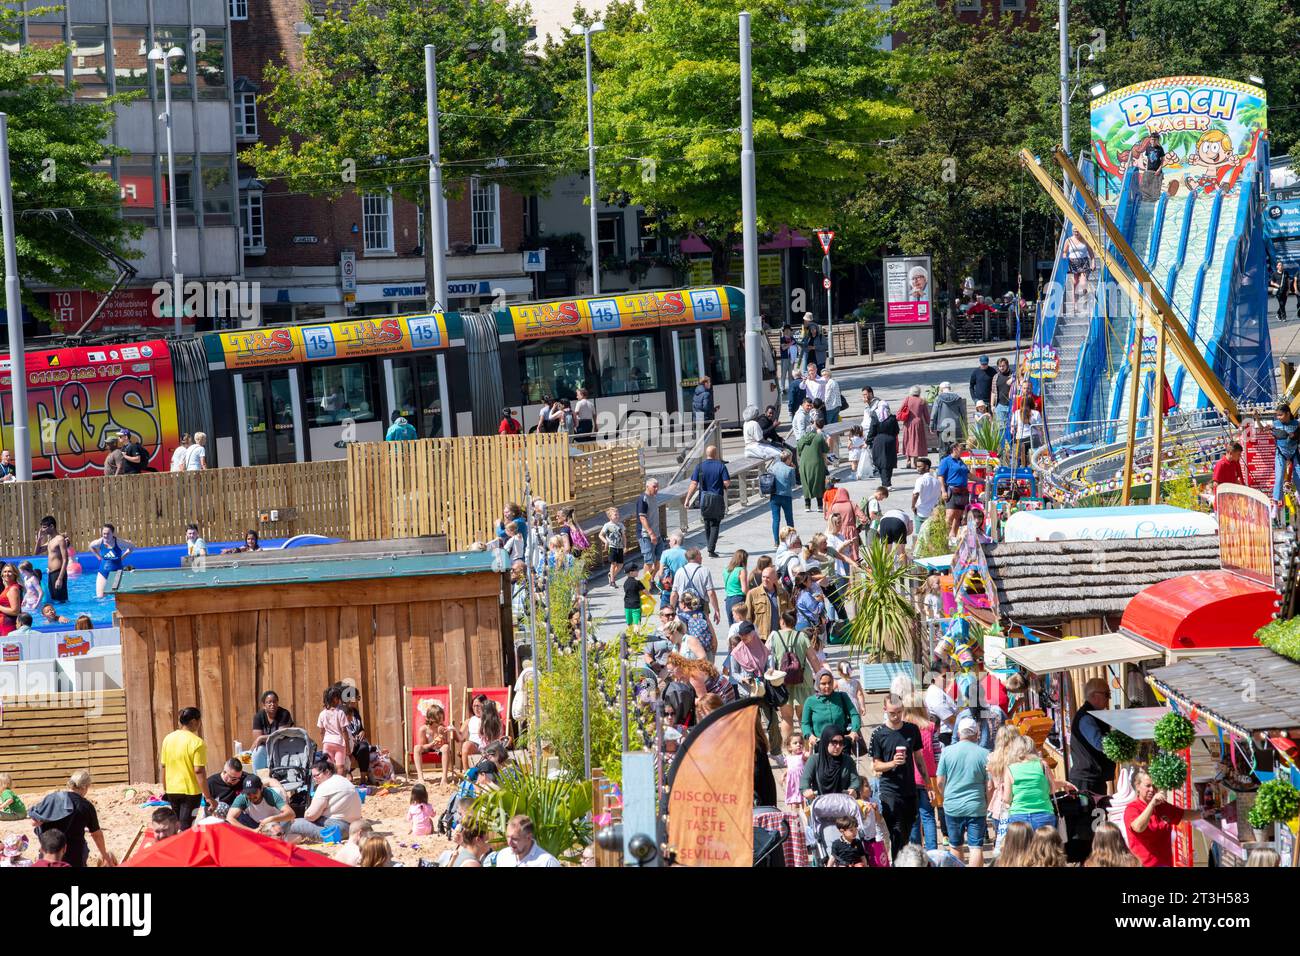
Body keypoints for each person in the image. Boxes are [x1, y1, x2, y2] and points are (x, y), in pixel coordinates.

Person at [868, 693, 925, 861]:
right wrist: (893, 763)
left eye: (899, 712)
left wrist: (928, 784)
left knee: (907, 832)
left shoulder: (912, 729)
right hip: (889, 792)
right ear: (885, 710)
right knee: (897, 833)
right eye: (892, 713)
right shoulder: (878, 734)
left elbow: (919, 759)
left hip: (910, 790)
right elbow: (876, 765)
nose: (896, 716)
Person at [28, 770, 116, 868]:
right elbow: (96, 835)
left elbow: (34, 822)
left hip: (49, 852)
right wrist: (105, 856)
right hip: (74, 856)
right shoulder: (86, 806)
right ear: (85, 787)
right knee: (84, 848)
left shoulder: (52, 798)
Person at [936, 716, 989, 867]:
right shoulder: (985, 754)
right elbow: (989, 785)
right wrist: (987, 802)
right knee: (976, 847)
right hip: (976, 805)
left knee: (955, 846)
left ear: (958, 733)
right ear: (976, 734)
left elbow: (940, 781)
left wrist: (946, 796)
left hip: (953, 806)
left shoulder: (947, 752)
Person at [1002, 733, 1071, 830]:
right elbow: (1052, 788)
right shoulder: (1042, 765)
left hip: (1018, 817)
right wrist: (1064, 783)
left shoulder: (1010, 769)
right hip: (1043, 814)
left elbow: (1007, 799)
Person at [287, 758, 364, 843]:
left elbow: (311, 816)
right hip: (355, 827)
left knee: (292, 824)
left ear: (327, 772)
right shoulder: (344, 781)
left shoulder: (325, 785)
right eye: (313, 776)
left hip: (336, 830)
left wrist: (306, 814)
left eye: (317, 775)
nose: (315, 779)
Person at [159, 706, 212, 829]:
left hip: (172, 789)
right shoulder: (197, 742)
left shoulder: (168, 738)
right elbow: (199, 771)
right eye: (199, 721)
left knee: (176, 824)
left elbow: (164, 766)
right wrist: (208, 796)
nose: (200, 724)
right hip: (190, 792)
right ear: (194, 721)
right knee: (187, 826)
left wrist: (165, 788)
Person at [1124, 768, 1185, 867]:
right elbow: (1138, 827)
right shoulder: (1132, 808)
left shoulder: (1161, 806)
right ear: (1138, 786)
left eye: (1155, 786)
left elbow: (1183, 814)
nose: (1152, 789)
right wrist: (1152, 804)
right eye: (1148, 786)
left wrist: (1204, 813)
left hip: (1166, 864)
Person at [904, 701, 942, 852]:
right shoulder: (931, 728)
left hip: (909, 777)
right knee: (928, 816)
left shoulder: (904, 728)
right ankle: (932, 851)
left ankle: (917, 852)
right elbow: (937, 754)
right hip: (928, 777)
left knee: (914, 818)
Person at [1068, 677, 1115, 797]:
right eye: (1107, 694)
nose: (1109, 698)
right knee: (1091, 809)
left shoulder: (1091, 715)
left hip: (1092, 778)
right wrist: (1118, 742)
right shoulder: (1086, 717)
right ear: (1094, 695)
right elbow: (1100, 744)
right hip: (1087, 781)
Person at [687, 445, 730, 557]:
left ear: (706, 454)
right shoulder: (721, 466)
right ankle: (711, 549)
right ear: (716, 454)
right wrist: (722, 487)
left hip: (704, 499)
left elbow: (693, 484)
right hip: (717, 498)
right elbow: (726, 483)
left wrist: (688, 499)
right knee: (715, 523)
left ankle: (709, 545)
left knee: (707, 522)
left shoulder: (699, 467)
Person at [800, 724, 861, 800]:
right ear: (826, 742)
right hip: (819, 802)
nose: (838, 746)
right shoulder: (814, 759)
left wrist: (853, 789)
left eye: (841, 743)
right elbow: (804, 780)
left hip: (842, 802)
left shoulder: (848, 760)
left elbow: (855, 780)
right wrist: (806, 790)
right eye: (834, 742)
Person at [802, 668, 860, 745]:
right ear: (817, 684)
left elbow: (854, 715)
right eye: (823, 683)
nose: (827, 686)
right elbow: (805, 723)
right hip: (821, 743)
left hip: (841, 743)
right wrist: (810, 735)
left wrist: (854, 731)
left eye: (830, 682)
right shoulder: (810, 701)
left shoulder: (842, 697)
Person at [228, 775, 294, 834]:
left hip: (278, 820)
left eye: (254, 792)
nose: (252, 796)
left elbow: (291, 814)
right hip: (256, 822)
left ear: (261, 788)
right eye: (248, 793)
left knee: (275, 832)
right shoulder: (242, 797)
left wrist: (271, 819)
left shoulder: (271, 795)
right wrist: (252, 831)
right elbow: (229, 818)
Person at [250, 690, 294, 771]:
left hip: (282, 747)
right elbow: (257, 739)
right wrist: (260, 739)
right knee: (257, 751)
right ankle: (258, 776)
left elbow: (281, 735)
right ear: (264, 705)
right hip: (266, 747)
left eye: (274, 702)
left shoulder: (284, 714)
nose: (272, 704)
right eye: (269, 702)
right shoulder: (258, 716)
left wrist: (262, 738)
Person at [495, 814, 561, 867]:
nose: (509, 843)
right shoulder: (503, 855)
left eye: (515, 838)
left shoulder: (547, 862)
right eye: (508, 837)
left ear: (529, 837)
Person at [937, 441, 971, 540]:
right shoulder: (946, 461)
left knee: (958, 515)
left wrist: (982, 480)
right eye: (961, 448)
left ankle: (953, 538)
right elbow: (940, 476)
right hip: (952, 490)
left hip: (963, 491)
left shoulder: (961, 461)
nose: (963, 450)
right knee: (950, 515)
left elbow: (968, 475)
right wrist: (943, 491)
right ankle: (942, 538)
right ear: (954, 449)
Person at [89, 524, 133, 598]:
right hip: (103, 573)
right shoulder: (100, 542)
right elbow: (91, 546)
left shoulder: (119, 542)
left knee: (117, 598)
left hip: (117, 573)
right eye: (104, 533)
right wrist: (98, 557)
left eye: (108, 534)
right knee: (100, 597)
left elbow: (131, 546)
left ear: (113, 533)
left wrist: (122, 557)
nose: (105, 536)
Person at [317, 685, 351, 777]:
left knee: (328, 766)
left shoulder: (322, 714)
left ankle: (329, 782)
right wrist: (347, 747)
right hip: (339, 743)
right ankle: (339, 783)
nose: (340, 701)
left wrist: (323, 741)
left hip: (327, 742)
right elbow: (344, 731)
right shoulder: (340, 713)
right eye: (339, 698)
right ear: (335, 699)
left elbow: (321, 731)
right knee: (340, 766)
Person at [796, 420, 830, 513]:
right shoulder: (819, 438)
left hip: (804, 464)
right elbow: (826, 449)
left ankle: (807, 506)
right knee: (818, 483)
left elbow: (799, 452)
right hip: (817, 463)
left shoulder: (802, 439)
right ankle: (819, 506)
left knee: (806, 483)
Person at [767, 450, 797, 547]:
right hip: (786, 496)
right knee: (789, 519)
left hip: (774, 496)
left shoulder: (773, 467)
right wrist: (793, 469)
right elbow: (793, 484)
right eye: (790, 459)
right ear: (788, 459)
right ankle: (791, 540)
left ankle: (776, 542)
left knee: (776, 520)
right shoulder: (790, 469)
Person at [1272, 404, 1300, 505]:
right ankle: (1276, 503)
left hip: (1294, 453)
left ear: (1288, 414)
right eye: (1277, 415)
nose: (1278, 417)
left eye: (1280, 415)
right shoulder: (1275, 424)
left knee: (1299, 477)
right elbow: (1262, 428)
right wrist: (1257, 419)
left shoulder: (1296, 423)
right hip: (1281, 454)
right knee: (1279, 478)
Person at [929, 382, 967, 454]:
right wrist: (963, 426)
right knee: (956, 449)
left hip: (943, 427)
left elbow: (934, 413)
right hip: (955, 426)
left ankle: (944, 461)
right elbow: (963, 413)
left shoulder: (938, 398)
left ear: (941, 389)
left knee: (943, 449)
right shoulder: (957, 398)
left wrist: (931, 425)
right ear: (950, 388)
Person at [898, 385, 930, 469]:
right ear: (919, 392)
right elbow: (926, 415)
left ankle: (908, 460)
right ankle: (915, 461)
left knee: (908, 441)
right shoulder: (922, 401)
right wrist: (929, 424)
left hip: (908, 423)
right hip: (918, 424)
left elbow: (900, 410)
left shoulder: (907, 399)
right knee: (916, 442)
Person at [39, 517, 69, 604]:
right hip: (51, 574)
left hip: (58, 573)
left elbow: (65, 559)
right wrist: (39, 539)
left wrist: (60, 578)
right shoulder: (50, 540)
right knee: (54, 600)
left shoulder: (60, 539)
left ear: (52, 526)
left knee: (61, 601)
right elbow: (37, 552)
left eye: (44, 527)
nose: (42, 530)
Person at [636, 478, 661, 581]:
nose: (657, 489)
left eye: (657, 486)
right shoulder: (643, 499)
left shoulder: (654, 497)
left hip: (657, 534)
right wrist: (651, 533)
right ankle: (645, 584)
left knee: (659, 560)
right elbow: (642, 517)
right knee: (649, 561)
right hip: (646, 535)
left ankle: (651, 580)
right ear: (647, 486)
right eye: (654, 487)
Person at [1012, 397, 1042, 468]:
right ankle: (1034, 470)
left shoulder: (1017, 413)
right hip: (1033, 438)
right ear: (1032, 404)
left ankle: (1023, 469)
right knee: (1035, 459)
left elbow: (1013, 427)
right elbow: (1040, 427)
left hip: (1021, 439)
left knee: (1021, 460)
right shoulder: (1036, 413)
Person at [598, 507, 625, 587]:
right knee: (613, 564)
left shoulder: (620, 525)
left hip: (620, 547)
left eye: (618, 514)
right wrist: (606, 541)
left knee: (620, 564)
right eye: (615, 515)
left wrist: (625, 546)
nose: (617, 516)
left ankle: (611, 575)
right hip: (612, 547)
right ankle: (612, 581)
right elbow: (600, 535)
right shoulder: (607, 525)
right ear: (610, 516)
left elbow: (624, 536)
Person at [993, 357, 1014, 434]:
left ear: (1007, 365)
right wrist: (992, 405)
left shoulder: (1013, 374)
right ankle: (1003, 441)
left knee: (1012, 425)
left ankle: (1011, 440)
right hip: (1000, 405)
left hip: (1012, 404)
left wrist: (1014, 379)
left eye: (1003, 366)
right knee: (1001, 428)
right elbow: (993, 391)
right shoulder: (996, 377)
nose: (1001, 368)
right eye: (1000, 366)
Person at [623, 562, 646, 626]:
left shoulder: (625, 583)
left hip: (627, 605)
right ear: (631, 573)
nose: (638, 571)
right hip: (635, 606)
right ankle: (637, 632)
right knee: (637, 623)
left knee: (629, 623)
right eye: (636, 570)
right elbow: (646, 592)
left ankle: (630, 632)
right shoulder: (637, 583)